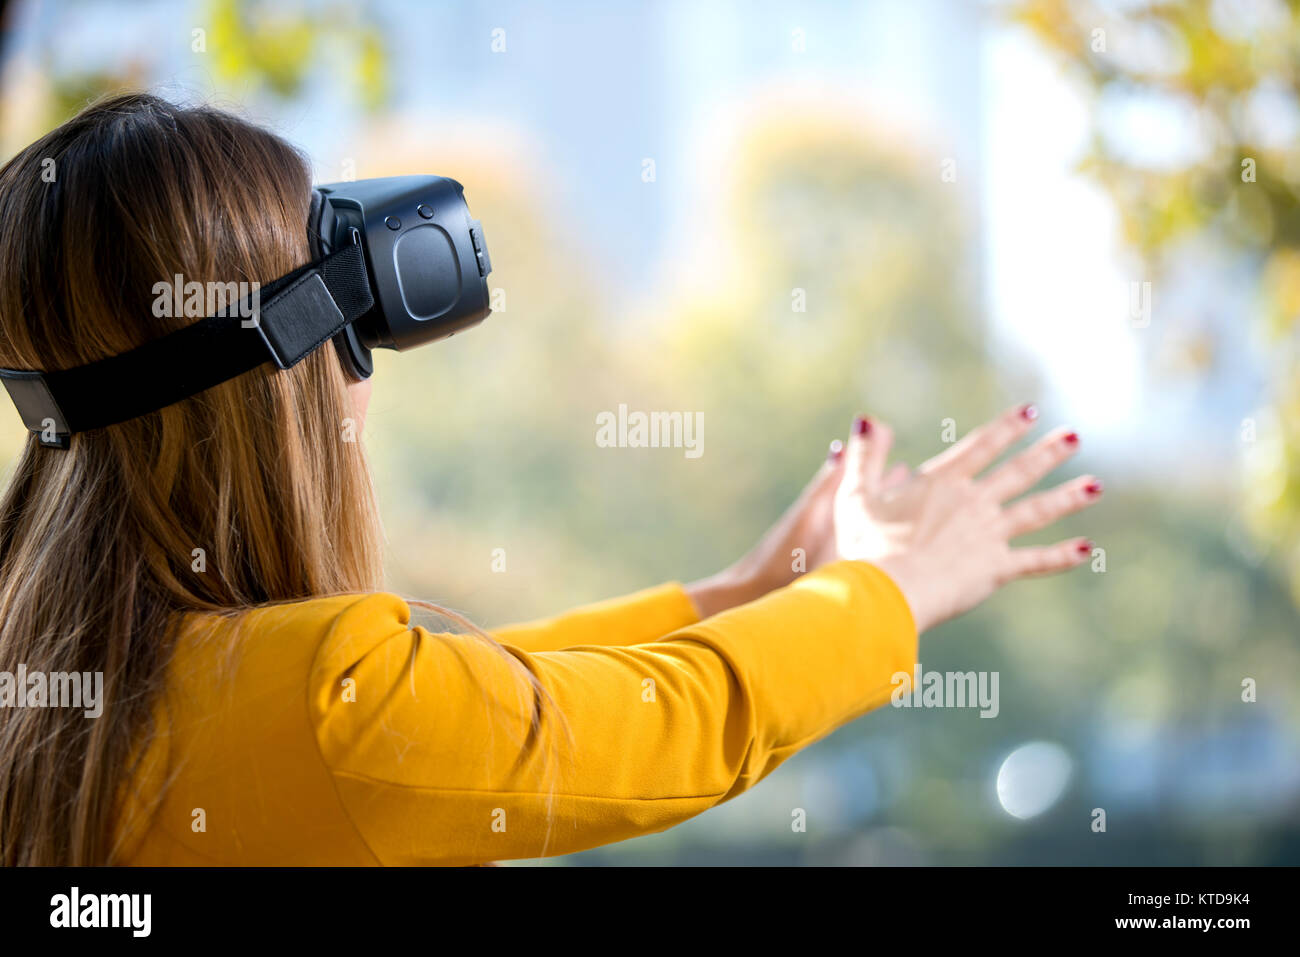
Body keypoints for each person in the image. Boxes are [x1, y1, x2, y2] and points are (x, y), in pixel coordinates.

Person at [0, 94, 1101, 866]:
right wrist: (896, 589)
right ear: (282, 380)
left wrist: (740, 592)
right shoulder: (323, 701)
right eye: (354, 336)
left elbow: (485, 689)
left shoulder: (61, 692)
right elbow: (659, 726)